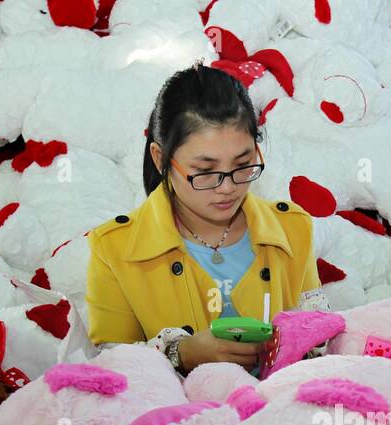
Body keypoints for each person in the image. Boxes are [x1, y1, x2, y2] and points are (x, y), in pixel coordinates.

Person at [84, 63, 325, 374]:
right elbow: (109, 370)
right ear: (161, 159)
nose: (228, 188)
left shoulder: (293, 229)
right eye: (205, 172)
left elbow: (320, 340)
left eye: (243, 163)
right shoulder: (113, 249)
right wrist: (180, 354)